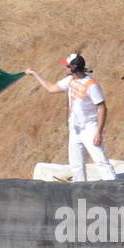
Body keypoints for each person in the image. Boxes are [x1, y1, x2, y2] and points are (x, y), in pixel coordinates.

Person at [25, 53, 116, 182]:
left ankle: (114, 189)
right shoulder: (70, 80)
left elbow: (102, 108)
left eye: (67, 66)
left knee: (101, 161)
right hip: (75, 129)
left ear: (73, 67)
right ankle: (80, 195)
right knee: (76, 165)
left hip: (90, 128)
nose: (65, 68)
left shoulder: (91, 85)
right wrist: (34, 74)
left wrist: (98, 132)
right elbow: (51, 88)